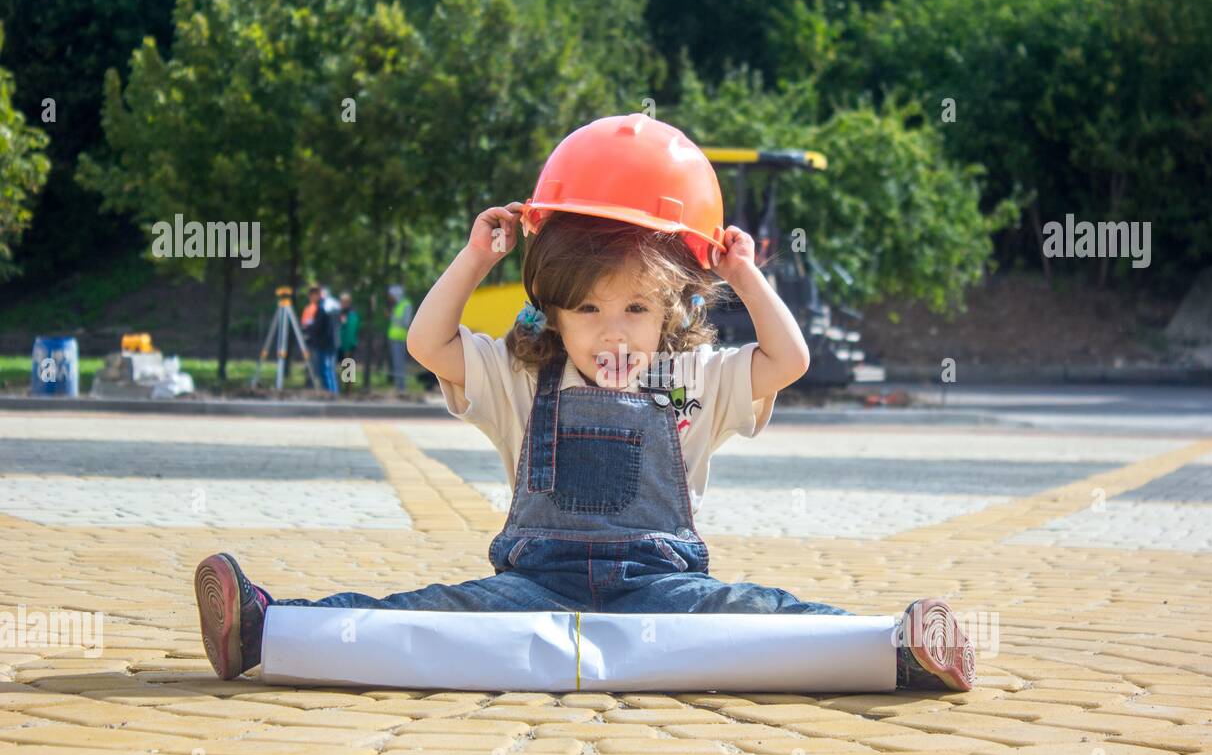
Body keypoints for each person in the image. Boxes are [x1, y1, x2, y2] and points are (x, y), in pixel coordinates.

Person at [193, 114, 975, 691]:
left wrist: (744, 275)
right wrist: (475, 258)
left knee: (756, 611)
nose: (613, 333)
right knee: (430, 612)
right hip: (530, 585)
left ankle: (900, 647)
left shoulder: (692, 377)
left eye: (637, 310)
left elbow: (789, 359)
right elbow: (428, 344)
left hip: (662, 586)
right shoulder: (518, 375)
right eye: (589, 311)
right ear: (554, 312)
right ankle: (263, 627)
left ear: (669, 313)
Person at [303, 283, 338, 395]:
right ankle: (332, 393)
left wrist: (309, 330)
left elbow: (319, 327)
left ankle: (331, 393)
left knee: (325, 371)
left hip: (324, 343)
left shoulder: (322, 308)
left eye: (311, 296)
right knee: (327, 370)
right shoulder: (328, 305)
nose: (310, 298)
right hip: (329, 342)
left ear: (316, 295)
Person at [386, 284, 412, 392]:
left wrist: (391, 316)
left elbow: (406, 322)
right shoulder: (399, 304)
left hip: (400, 338)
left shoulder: (405, 305)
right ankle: (399, 387)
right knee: (397, 363)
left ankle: (401, 388)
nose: (390, 297)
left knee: (399, 363)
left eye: (391, 295)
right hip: (394, 338)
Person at [336, 291, 359, 389]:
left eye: (345, 302)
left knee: (348, 369)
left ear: (348, 302)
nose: (342, 303)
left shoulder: (352, 314)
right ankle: (339, 387)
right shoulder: (339, 313)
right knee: (339, 367)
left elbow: (351, 330)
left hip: (348, 345)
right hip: (339, 344)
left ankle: (348, 390)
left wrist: (348, 346)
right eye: (341, 301)